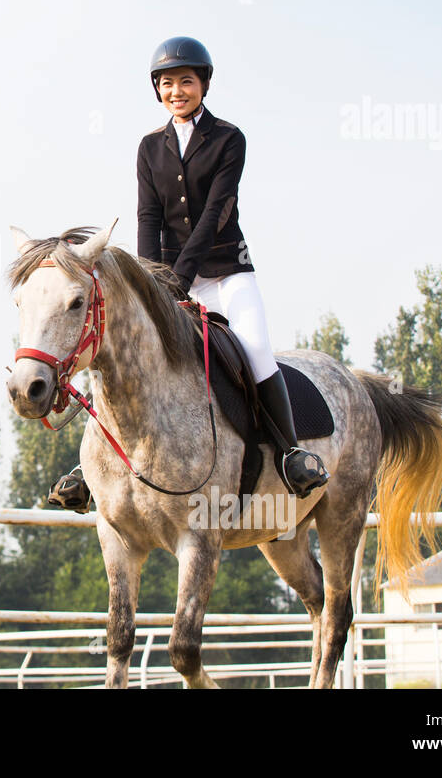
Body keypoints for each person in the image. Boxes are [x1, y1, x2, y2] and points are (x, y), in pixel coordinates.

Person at [136, 36, 328, 498]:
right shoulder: (148, 148)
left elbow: (215, 212)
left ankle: (290, 454)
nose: (176, 91)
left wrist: (178, 280)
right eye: (167, 83)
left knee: (256, 350)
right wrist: (150, 283)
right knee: (139, 358)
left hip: (227, 274)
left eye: (186, 81)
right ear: (157, 90)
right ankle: (97, 469)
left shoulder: (228, 138)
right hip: (171, 283)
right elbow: (149, 217)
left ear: (203, 84)